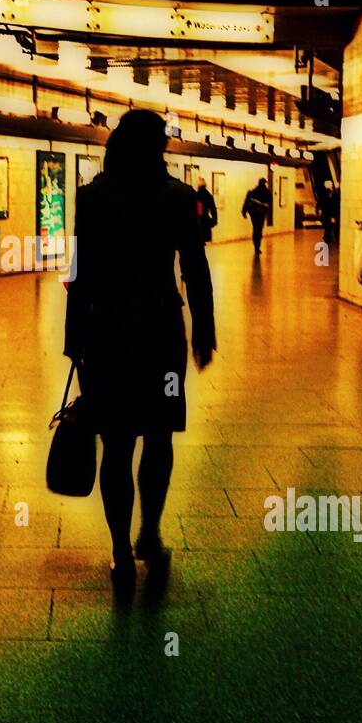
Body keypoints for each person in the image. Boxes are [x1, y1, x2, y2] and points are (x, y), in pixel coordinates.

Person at [64, 110, 215, 597]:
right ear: (157, 148)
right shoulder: (177, 197)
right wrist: (203, 331)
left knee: (116, 442)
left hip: (105, 333)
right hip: (159, 331)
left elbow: (78, 273)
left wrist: (74, 341)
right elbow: (194, 267)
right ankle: (149, 532)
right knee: (158, 434)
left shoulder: (91, 197)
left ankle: (120, 551)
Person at [242, 177, 273, 255]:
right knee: (259, 230)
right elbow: (269, 205)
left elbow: (246, 202)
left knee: (256, 229)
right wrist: (269, 215)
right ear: (264, 183)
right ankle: (257, 246)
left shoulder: (252, 192)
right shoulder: (267, 192)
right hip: (261, 214)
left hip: (253, 213)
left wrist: (244, 212)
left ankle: (256, 246)